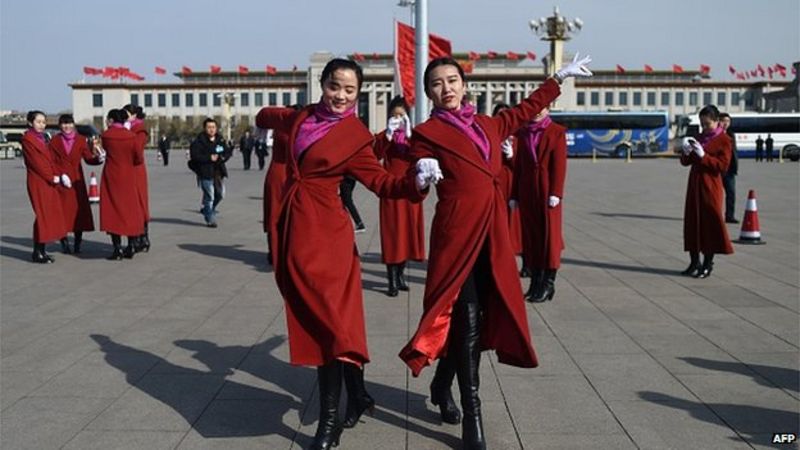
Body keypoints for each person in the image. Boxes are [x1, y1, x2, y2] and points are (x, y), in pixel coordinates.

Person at [399, 54, 591, 449]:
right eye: (437, 83)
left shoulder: (490, 124)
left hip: (493, 238)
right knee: (467, 321)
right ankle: (474, 415)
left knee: (476, 321)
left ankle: (441, 384)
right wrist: (421, 172)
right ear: (429, 93)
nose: (446, 88)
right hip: (457, 240)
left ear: (464, 85)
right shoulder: (426, 132)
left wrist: (557, 78)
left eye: (452, 80)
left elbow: (527, 108)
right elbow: (413, 168)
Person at [257, 58, 436, 450]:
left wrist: (416, 182)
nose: (341, 95)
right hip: (295, 229)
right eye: (334, 86)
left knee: (332, 327)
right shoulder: (302, 117)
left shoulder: (355, 136)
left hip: (329, 238)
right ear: (322, 85)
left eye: (350, 90)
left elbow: (382, 183)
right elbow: (265, 115)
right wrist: (270, 116)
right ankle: (358, 394)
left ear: (358, 95)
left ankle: (329, 421)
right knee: (325, 321)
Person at [510, 106, 568, 303]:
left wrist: (556, 192)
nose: (537, 112)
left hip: (546, 190)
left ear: (548, 109)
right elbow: (519, 165)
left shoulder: (556, 132)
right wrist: (515, 194)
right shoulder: (524, 132)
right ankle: (535, 282)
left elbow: (559, 165)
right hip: (528, 190)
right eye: (535, 108)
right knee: (531, 238)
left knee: (548, 238)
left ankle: (548, 283)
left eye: (541, 108)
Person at [373, 96, 425, 296]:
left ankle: (401, 275)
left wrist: (411, 135)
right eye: (394, 115)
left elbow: (420, 156)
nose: (398, 119)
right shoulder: (384, 136)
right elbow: (375, 153)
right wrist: (387, 134)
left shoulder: (413, 138)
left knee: (407, 234)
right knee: (392, 234)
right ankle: (391, 280)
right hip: (391, 190)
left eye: (401, 115)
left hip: (409, 189)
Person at [679, 104, 734, 279]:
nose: (704, 127)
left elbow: (722, 166)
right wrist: (686, 152)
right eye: (702, 124)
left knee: (710, 222)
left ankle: (707, 263)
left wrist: (704, 156)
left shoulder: (724, 140)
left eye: (707, 124)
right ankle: (694, 261)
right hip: (695, 184)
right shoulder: (699, 137)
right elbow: (686, 162)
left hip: (711, 185)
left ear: (717, 122)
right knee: (692, 221)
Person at [49, 114, 104, 254]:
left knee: (78, 214)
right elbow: (51, 161)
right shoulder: (54, 141)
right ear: (60, 126)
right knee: (61, 213)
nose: (66, 127)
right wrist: (59, 175)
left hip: (76, 181)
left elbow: (88, 158)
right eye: (63, 124)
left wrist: (99, 158)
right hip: (62, 181)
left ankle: (78, 242)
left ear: (73, 125)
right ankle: (64, 243)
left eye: (69, 124)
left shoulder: (80, 141)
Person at [256, 105, 301, 266]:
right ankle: (275, 252)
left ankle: (286, 252)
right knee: (275, 215)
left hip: (292, 175)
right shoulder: (285, 128)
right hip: (280, 175)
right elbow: (262, 115)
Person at [21, 110, 69, 263]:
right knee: (43, 215)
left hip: (47, 181)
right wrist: (52, 177)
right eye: (38, 122)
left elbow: (50, 160)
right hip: (39, 181)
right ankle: (38, 251)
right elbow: (37, 163)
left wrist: (59, 174)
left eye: (43, 122)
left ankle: (40, 250)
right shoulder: (28, 140)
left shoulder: (42, 138)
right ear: (30, 123)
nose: (42, 125)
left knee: (47, 214)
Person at [100, 109, 145, 260]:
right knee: (131, 210)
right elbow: (138, 158)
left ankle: (117, 248)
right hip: (129, 175)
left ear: (112, 120)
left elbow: (104, 151)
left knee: (112, 210)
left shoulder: (106, 136)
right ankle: (131, 246)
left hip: (111, 175)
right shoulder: (132, 136)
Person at [492, 103, 527, 278]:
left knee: (516, 225)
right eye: (499, 115)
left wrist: (510, 155)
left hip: (513, 185)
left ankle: (524, 260)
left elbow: (523, 166)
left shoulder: (518, 137)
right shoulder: (491, 136)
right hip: (497, 185)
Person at [189, 118, 232, 228]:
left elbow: (227, 152)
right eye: (209, 127)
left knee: (220, 194)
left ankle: (208, 209)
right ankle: (210, 219)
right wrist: (209, 158)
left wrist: (222, 157)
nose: (211, 130)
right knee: (210, 196)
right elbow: (195, 156)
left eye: (213, 127)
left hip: (218, 173)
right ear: (204, 128)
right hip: (205, 172)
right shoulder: (199, 142)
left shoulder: (220, 140)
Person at [123, 105, 151, 252]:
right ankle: (138, 238)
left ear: (134, 116)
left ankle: (142, 237)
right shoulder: (125, 128)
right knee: (131, 203)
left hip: (135, 169)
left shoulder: (139, 130)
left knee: (138, 202)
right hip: (126, 169)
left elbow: (137, 153)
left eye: (126, 114)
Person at [719, 113, 738, 223]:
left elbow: (734, 151)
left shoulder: (731, 134)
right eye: (723, 121)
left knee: (731, 193)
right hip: (719, 168)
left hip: (730, 169)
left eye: (728, 121)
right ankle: (716, 215)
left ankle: (729, 216)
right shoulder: (716, 134)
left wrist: (735, 165)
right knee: (717, 194)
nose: (725, 123)